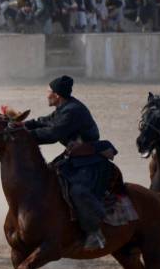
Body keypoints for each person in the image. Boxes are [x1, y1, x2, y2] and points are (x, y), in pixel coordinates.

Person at [20, 76, 111, 250]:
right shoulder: (63, 108)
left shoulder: (72, 111)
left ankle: (94, 232)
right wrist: (19, 125)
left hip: (89, 161)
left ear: (57, 95)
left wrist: (24, 136)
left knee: (78, 191)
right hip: (74, 158)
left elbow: (53, 133)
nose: (46, 95)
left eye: (48, 92)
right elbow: (43, 122)